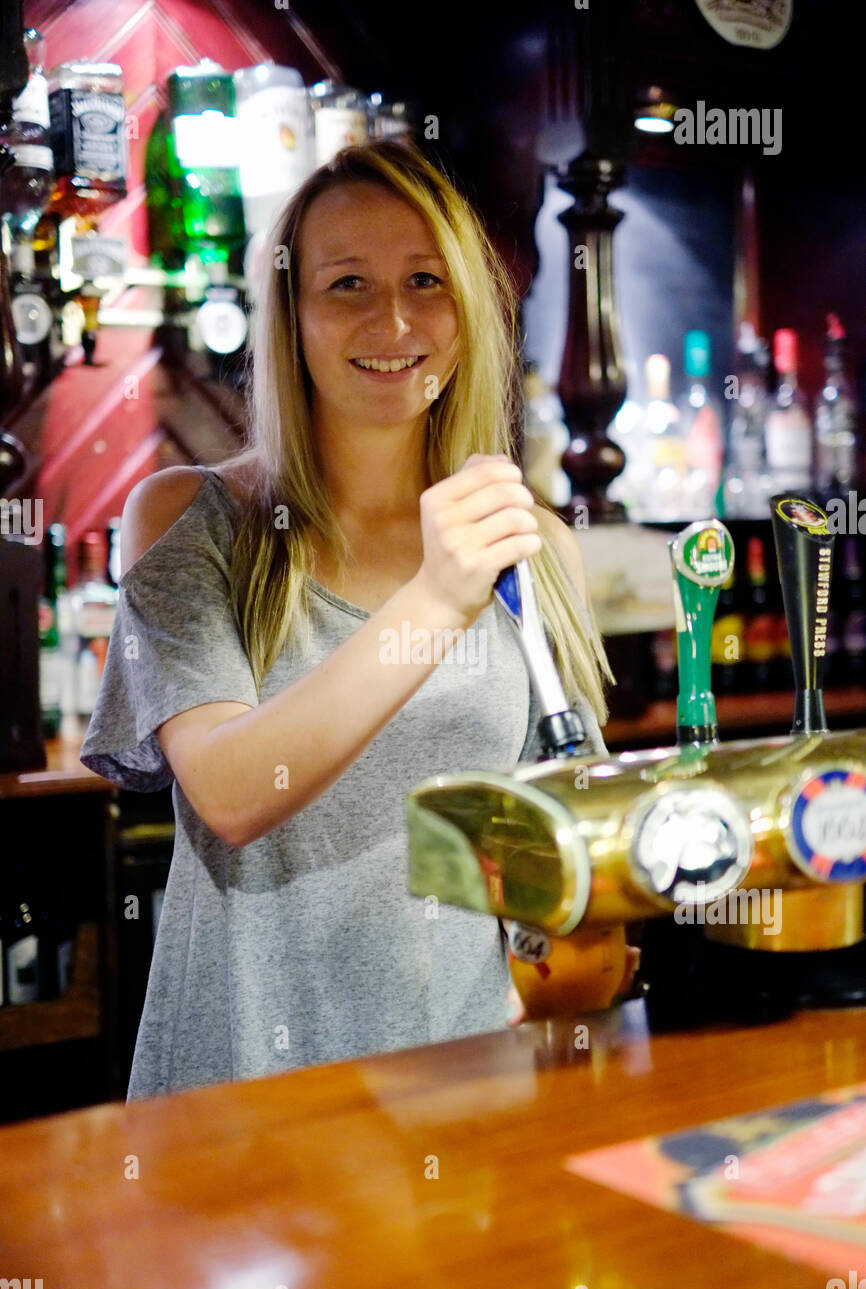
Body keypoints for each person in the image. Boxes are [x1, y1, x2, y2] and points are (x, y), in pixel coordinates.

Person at [80, 139, 622, 1099]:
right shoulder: (189, 522)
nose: (396, 320)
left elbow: (559, 850)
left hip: (460, 1098)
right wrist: (436, 599)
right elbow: (235, 791)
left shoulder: (528, 543)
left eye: (426, 280)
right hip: (238, 1102)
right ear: (290, 318)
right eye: (347, 285)